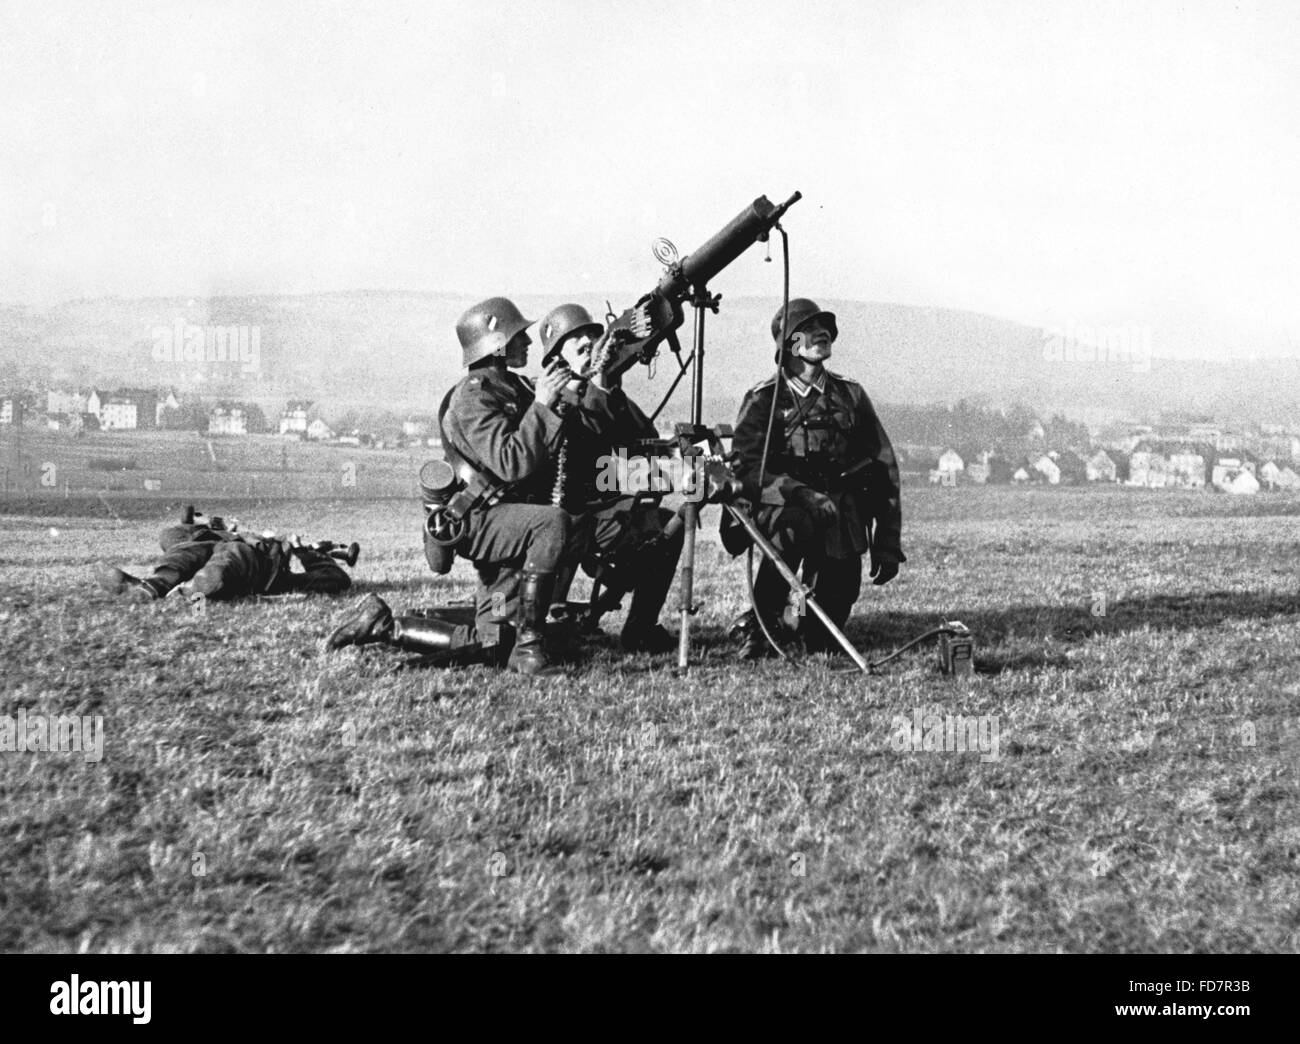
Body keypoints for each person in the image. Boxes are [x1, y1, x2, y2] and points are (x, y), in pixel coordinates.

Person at [326, 295, 610, 676]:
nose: (527, 343)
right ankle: (529, 647)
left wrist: (597, 377)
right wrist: (543, 405)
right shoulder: (473, 397)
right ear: (496, 345)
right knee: (552, 523)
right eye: (519, 337)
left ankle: (385, 624)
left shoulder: (515, 388)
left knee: (493, 642)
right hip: (480, 519)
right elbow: (510, 462)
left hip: (512, 517)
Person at [723, 298, 905, 658]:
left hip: (841, 512)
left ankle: (794, 617)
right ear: (789, 343)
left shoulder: (850, 395)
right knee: (794, 528)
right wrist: (801, 493)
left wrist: (887, 542)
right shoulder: (764, 400)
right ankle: (763, 622)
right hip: (783, 508)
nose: (822, 333)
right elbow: (746, 466)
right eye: (808, 328)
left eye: (825, 327)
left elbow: (884, 467)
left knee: (823, 639)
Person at [536, 303, 682, 654]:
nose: (589, 343)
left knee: (666, 528)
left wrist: (681, 464)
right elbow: (589, 425)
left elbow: (645, 441)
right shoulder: (552, 396)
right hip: (561, 514)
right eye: (577, 341)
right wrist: (600, 379)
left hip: (601, 511)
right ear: (557, 356)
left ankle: (640, 629)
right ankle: (546, 623)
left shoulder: (609, 394)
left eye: (592, 336)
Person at [95, 513, 353, 602]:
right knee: (185, 547)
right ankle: (149, 588)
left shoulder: (285, 579)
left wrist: (305, 551)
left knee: (232, 556)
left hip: (256, 561)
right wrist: (215, 527)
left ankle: (197, 587)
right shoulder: (222, 537)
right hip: (219, 542)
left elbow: (337, 579)